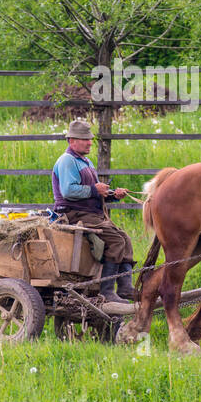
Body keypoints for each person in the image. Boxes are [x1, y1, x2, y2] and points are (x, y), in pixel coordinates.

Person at [51, 119, 135, 306]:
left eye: (90, 139)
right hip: (75, 213)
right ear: (72, 140)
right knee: (116, 240)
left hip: (91, 214)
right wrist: (95, 189)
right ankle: (107, 291)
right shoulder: (67, 161)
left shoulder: (85, 161)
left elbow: (95, 192)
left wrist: (113, 195)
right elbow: (68, 191)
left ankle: (125, 287)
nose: (90, 142)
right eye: (85, 139)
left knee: (125, 239)